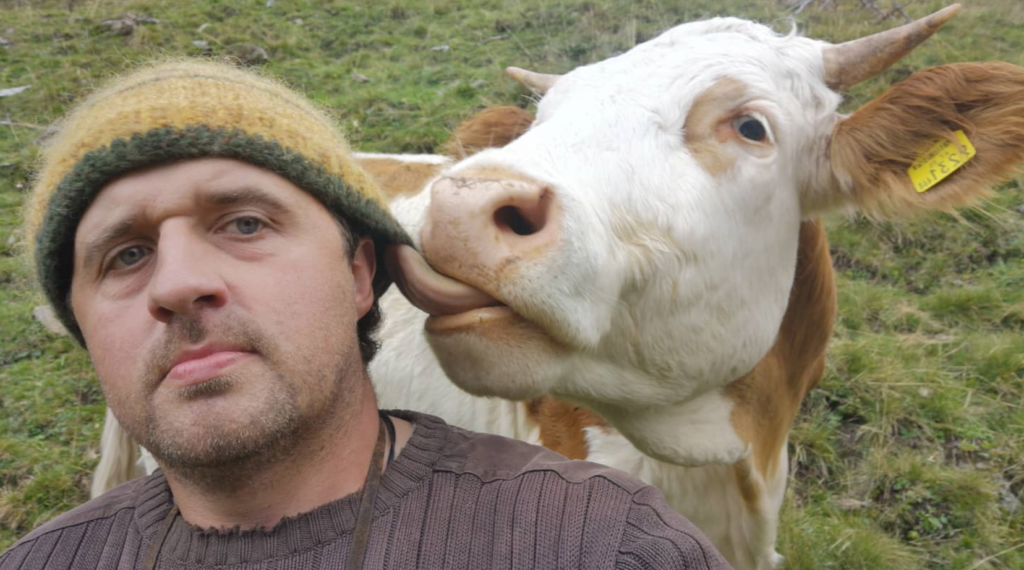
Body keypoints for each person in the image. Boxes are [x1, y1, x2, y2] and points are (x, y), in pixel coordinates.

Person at [0, 59, 731, 570]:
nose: (179, 284)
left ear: (358, 274)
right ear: (84, 327)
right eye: (124, 256)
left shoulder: (606, 548)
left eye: (245, 224)